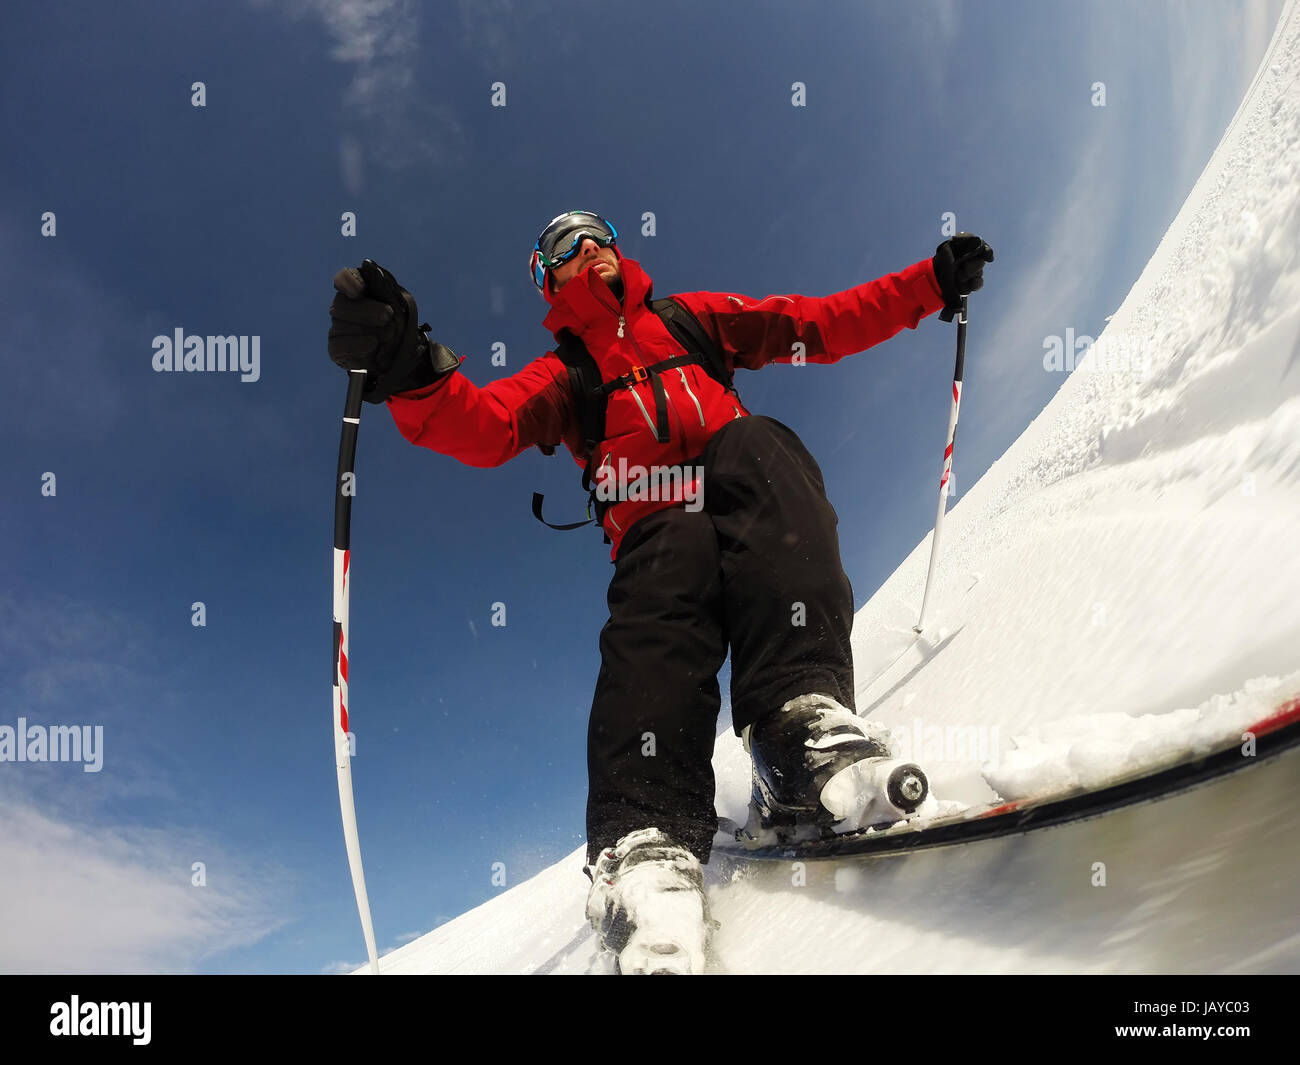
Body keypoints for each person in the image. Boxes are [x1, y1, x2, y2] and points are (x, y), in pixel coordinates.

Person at [328, 212, 994, 973]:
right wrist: (410, 368)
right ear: (547, 277)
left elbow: (815, 322)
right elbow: (490, 424)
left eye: (597, 234)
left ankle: (798, 730)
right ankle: (645, 836)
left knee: (761, 443)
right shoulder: (567, 372)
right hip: (652, 519)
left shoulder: (690, 318)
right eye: (562, 245)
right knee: (668, 550)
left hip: (742, 489)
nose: (587, 249)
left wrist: (927, 285)